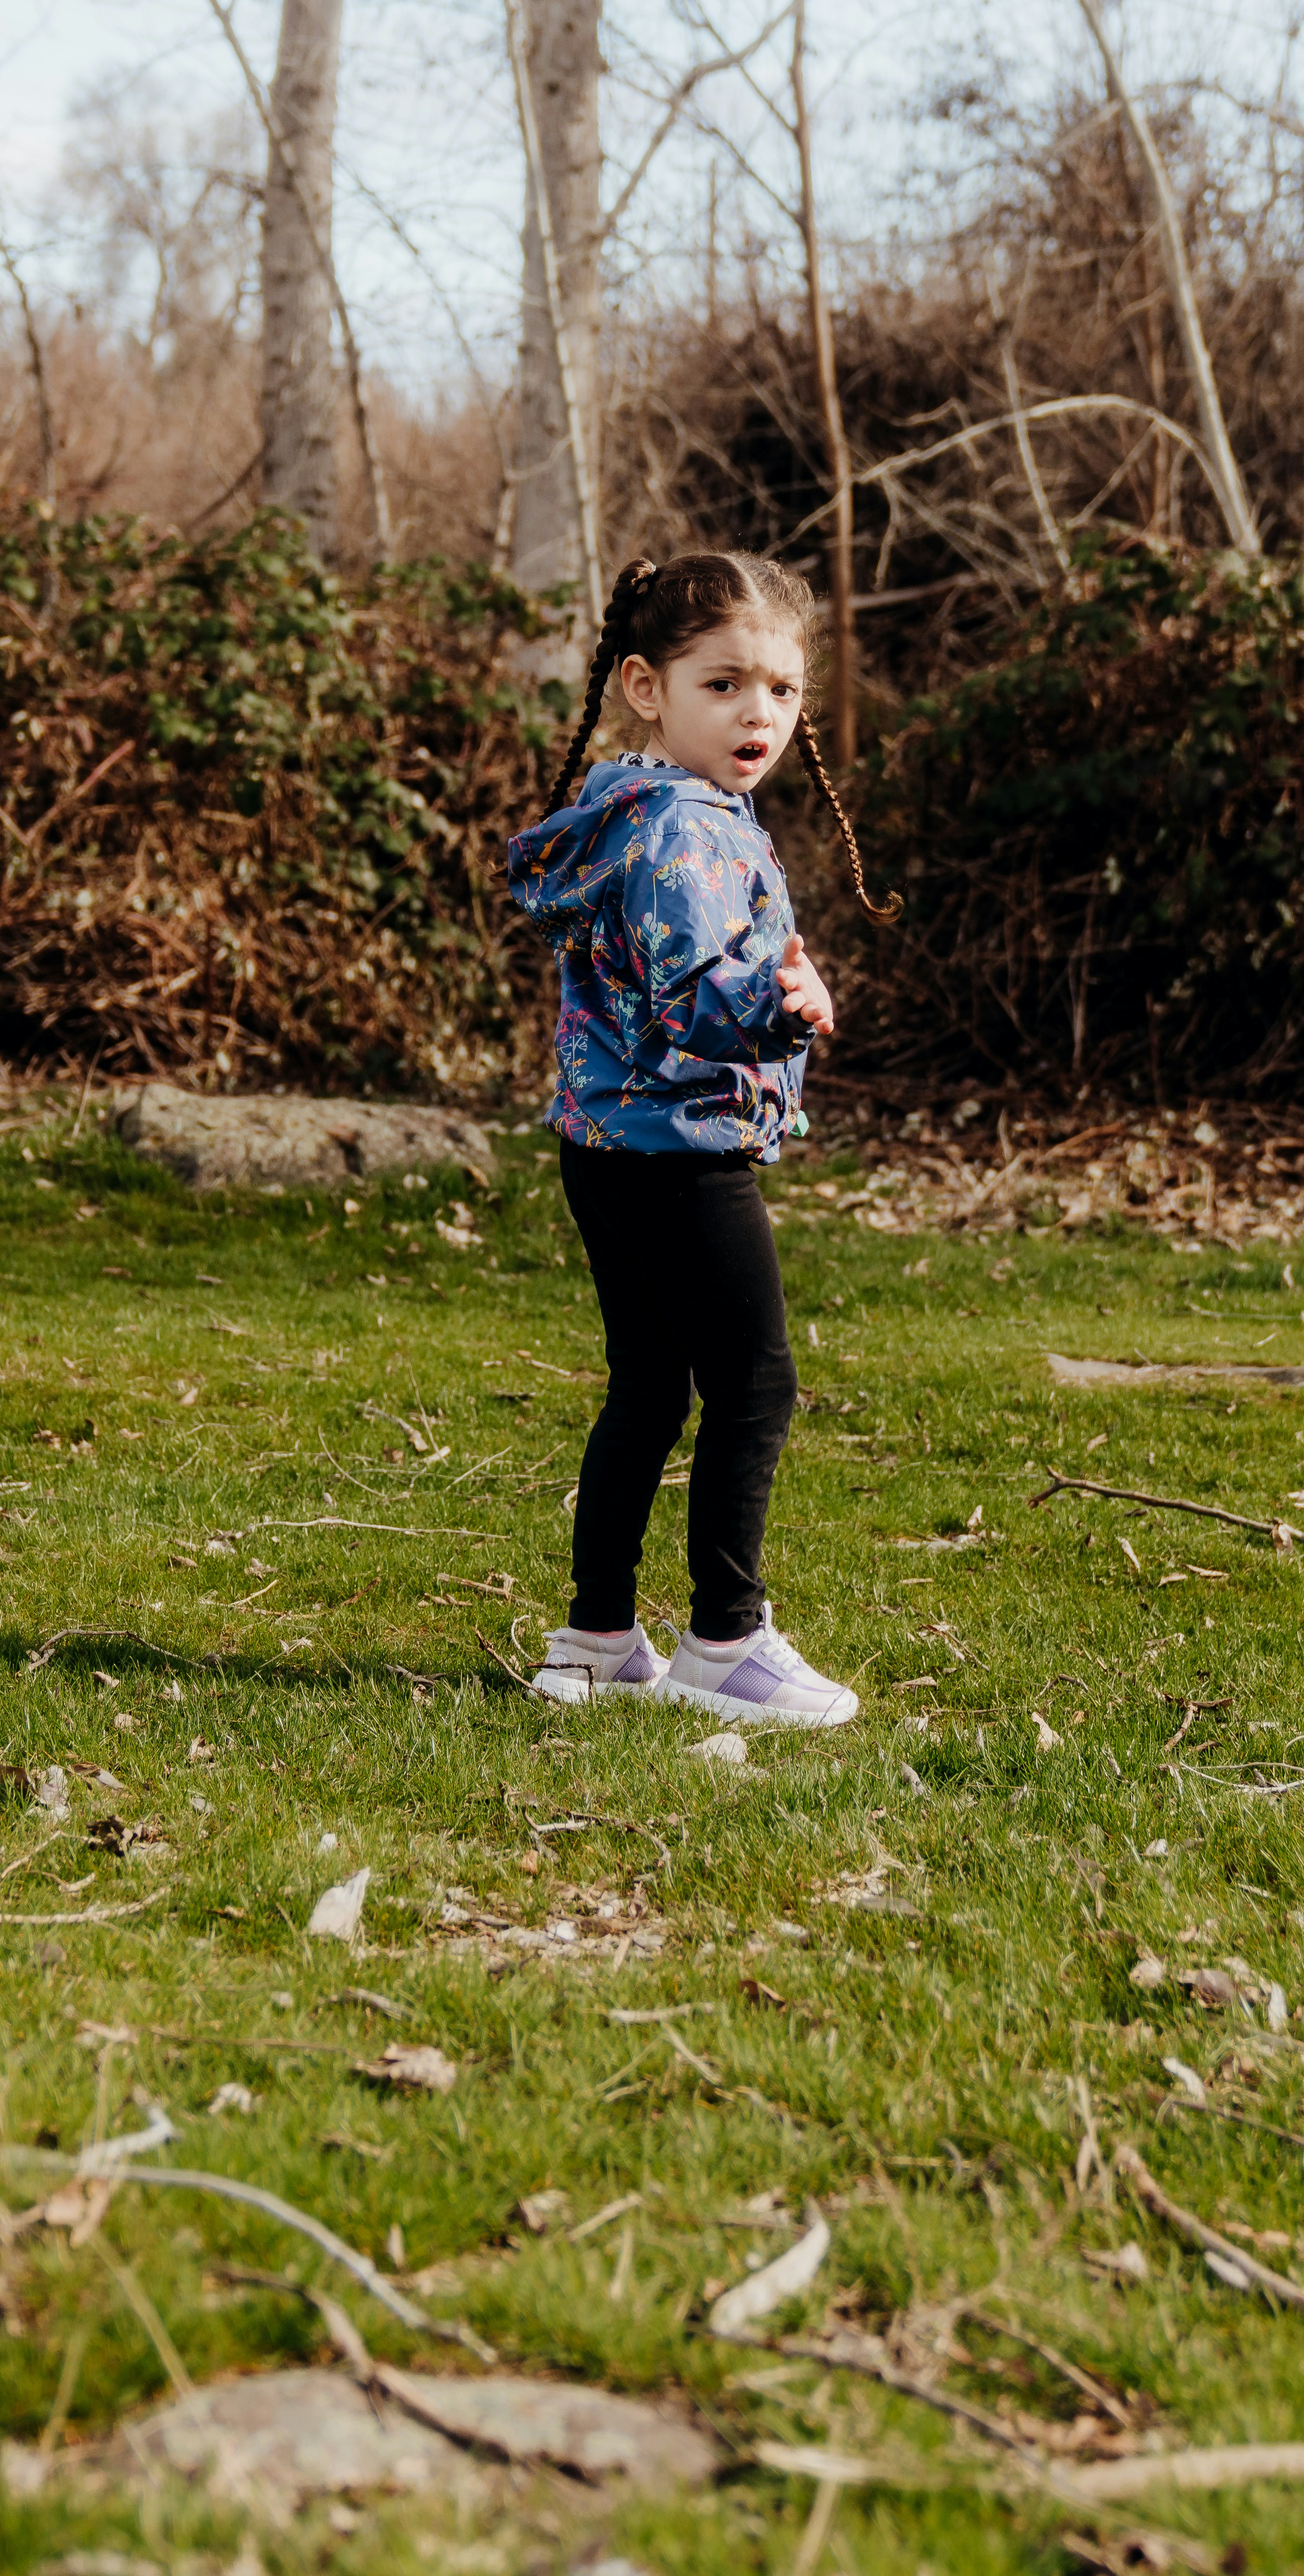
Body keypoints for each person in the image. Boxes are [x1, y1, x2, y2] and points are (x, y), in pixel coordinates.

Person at [500, 553, 894, 1729]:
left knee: (647, 1391)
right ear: (645, 686)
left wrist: (777, 984)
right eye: (724, 684)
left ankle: (599, 1638)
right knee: (754, 1384)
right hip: (680, 1153)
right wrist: (788, 1005)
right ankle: (726, 1642)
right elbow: (692, 999)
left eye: (781, 688)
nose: (759, 714)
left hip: (609, 1145)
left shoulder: (640, 810)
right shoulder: (685, 827)